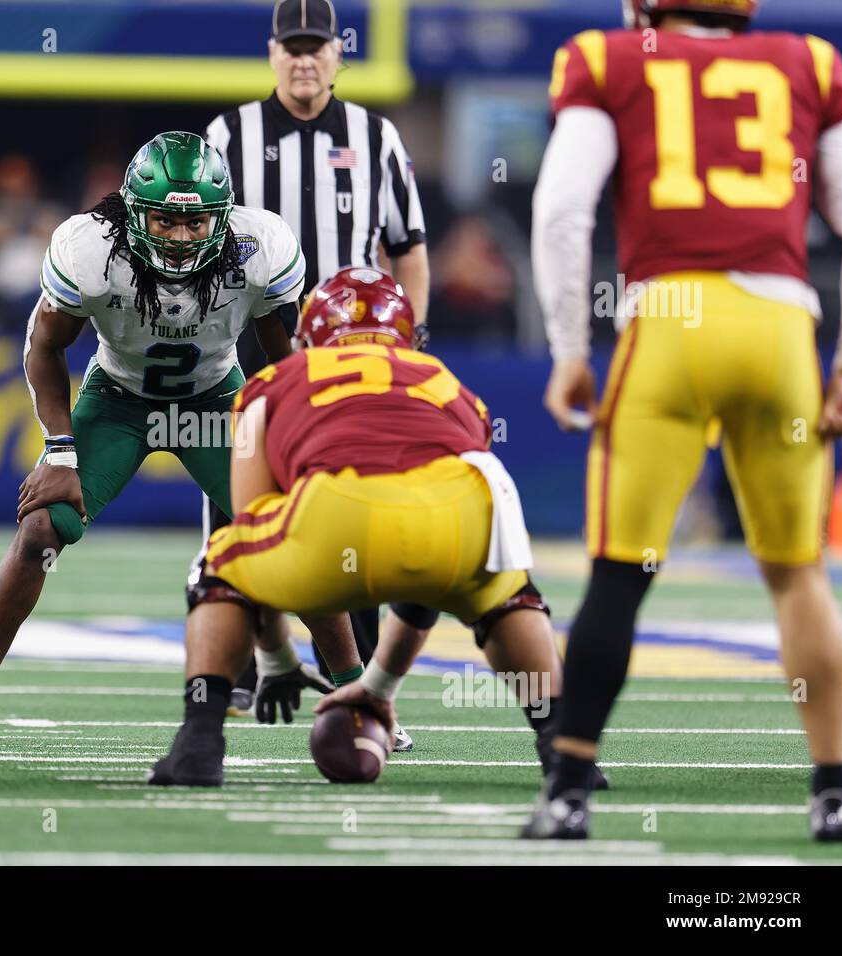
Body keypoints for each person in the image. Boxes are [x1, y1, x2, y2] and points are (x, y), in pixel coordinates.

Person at [525, 0, 842, 840]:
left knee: (621, 570)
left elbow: (563, 211)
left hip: (669, 325)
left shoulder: (609, 58)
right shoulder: (808, 63)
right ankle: (835, 788)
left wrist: (568, 347)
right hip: (782, 333)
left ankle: (566, 791)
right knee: (798, 572)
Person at [0, 131, 363, 746]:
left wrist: (294, 433)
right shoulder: (90, 249)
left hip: (214, 401)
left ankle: (358, 696)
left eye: (196, 222)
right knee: (40, 531)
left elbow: (281, 350)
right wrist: (59, 449)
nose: (181, 237)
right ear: (134, 212)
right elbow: (44, 347)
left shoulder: (257, 246)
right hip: (120, 402)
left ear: (222, 216)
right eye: (164, 220)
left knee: (291, 535)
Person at [149, 267, 570, 787]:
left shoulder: (272, 383)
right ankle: (565, 752)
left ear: (307, 339)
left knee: (219, 566)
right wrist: (379, 687)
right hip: (466, 507)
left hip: (340, 509)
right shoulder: (446, 383)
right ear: (409, 338)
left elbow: (253, 531)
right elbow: (425, 587)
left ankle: (199, 744)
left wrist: (277, 660)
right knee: (507, 598)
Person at [201, 0, 434, 743]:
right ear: (272, 54)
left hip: (356, 357)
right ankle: (239, 667)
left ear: (339, 54)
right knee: (240, 510)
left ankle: (358, 677)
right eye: (291, 47)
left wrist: (413, 340)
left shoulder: (376, 135)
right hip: (252, 353)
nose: (304, 59)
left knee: (356, 513)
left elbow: (409, 246)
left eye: (317, 46)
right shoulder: (227, 135)